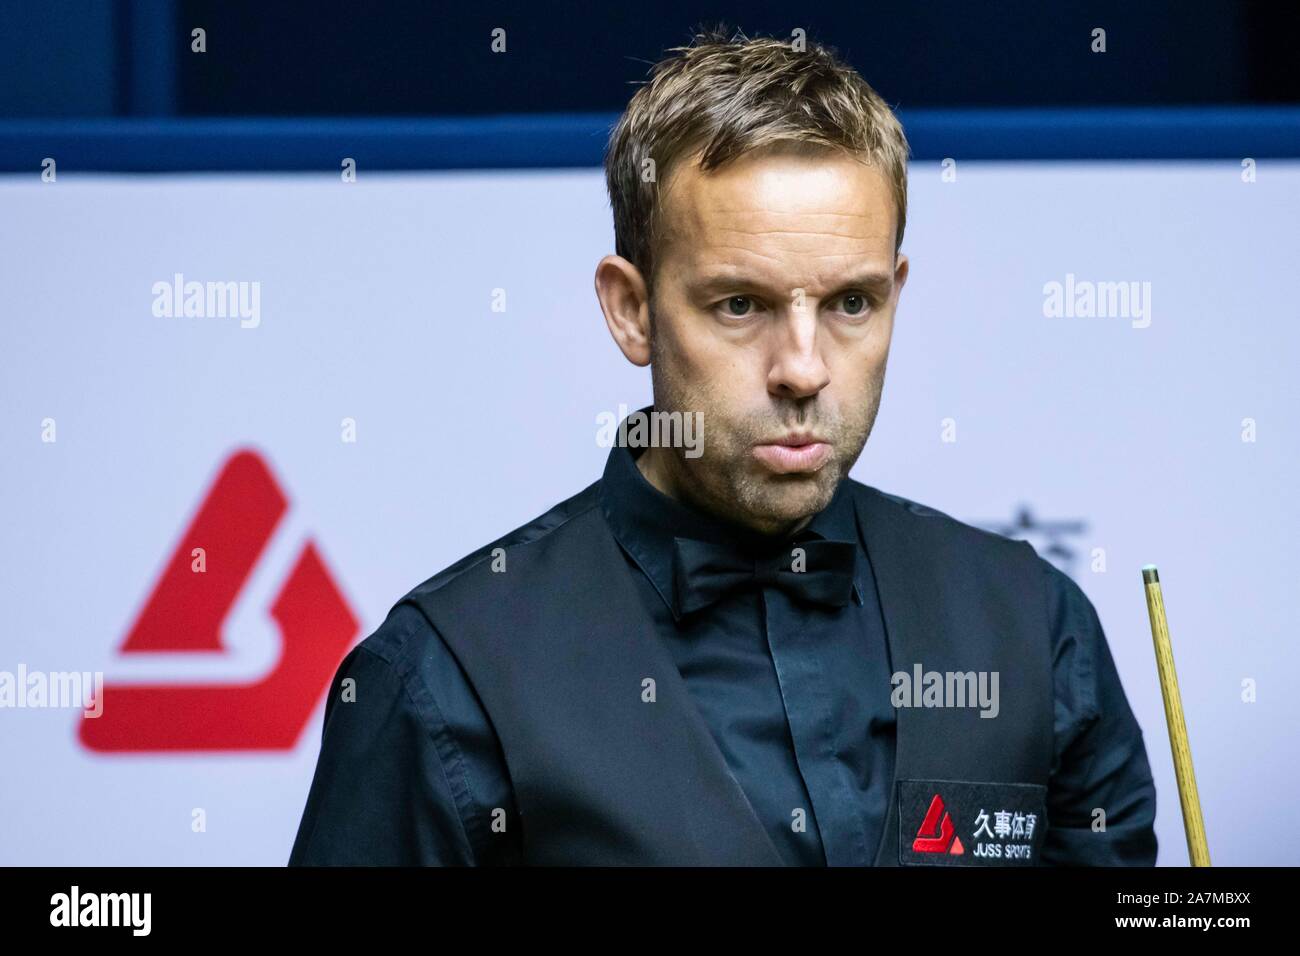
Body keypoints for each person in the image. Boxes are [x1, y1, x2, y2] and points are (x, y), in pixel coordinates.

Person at [289, 28, 1157, 866]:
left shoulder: (1036, 630)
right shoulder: (444, 678)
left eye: (851, 303)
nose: (803, 369)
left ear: (896, 292)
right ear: (631, 309)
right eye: (740, 305)